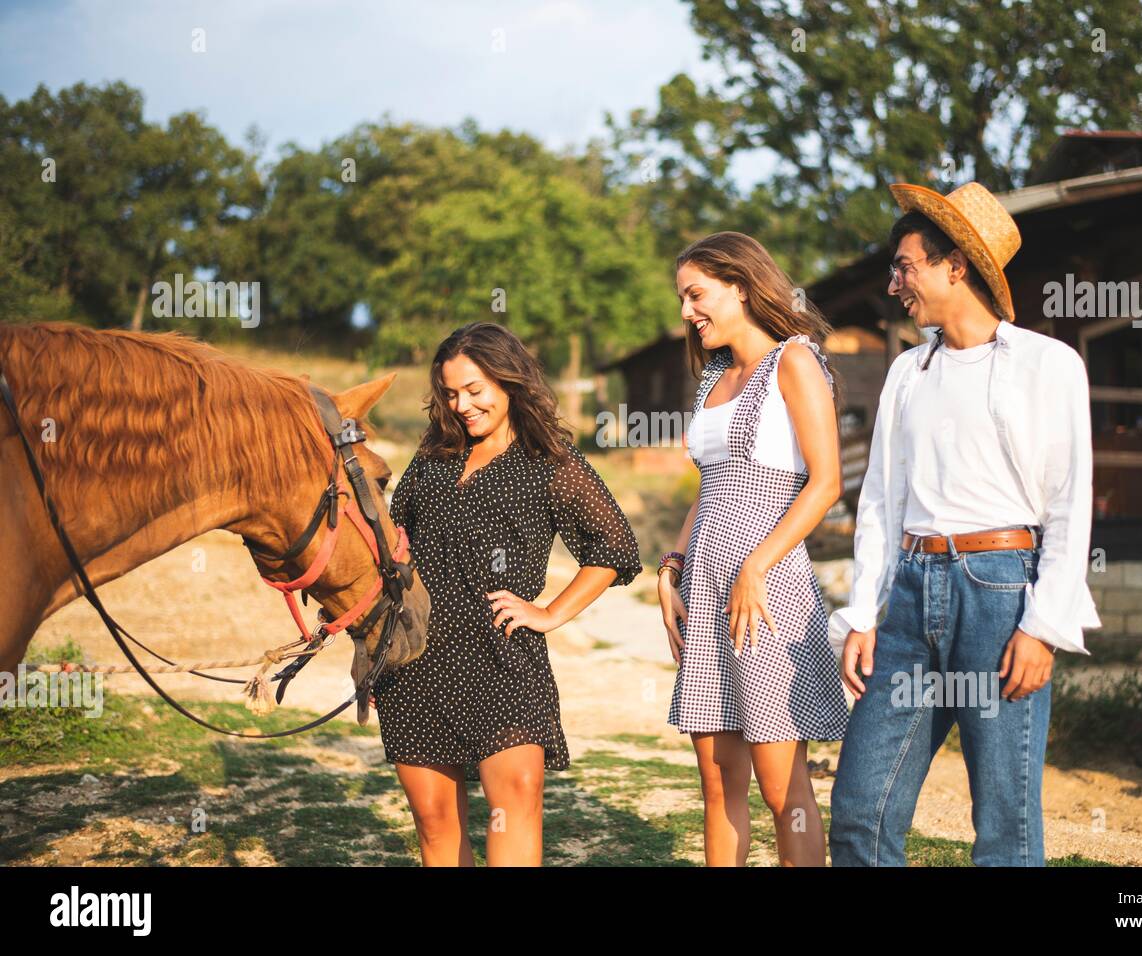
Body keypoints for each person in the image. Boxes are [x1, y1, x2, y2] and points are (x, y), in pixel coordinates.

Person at [827, 181, 1101, 867]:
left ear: (957, 266)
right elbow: (881, 504)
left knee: (1004, 825)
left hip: (1001, 595)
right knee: (862, 808)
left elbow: (1071, 504)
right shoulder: (904, 375)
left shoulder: (1049, 365)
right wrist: (862, 612)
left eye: (905, 266)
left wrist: (1043, 627)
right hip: (911, 598)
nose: (894, 285)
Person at [372, 321, 642, 866]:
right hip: (416, 661)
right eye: (451, 394)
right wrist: (374, 649)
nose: (463, 405)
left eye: (475, 390)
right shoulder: (431, 461)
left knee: (514, 804)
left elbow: (615, 547)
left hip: (502, 658)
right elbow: (391, 555)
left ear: (509, 381)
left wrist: (549, 613)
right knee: (434, 823)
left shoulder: (549, 462)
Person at [660, 231, 850, 866]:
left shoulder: (795, 361)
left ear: (739, 286)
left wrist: (756, 565)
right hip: (706, 586)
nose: (687, 311)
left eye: (696, 294)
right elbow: (708, 491)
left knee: (782, 788)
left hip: (764, 590)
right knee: (717, 784)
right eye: (683, 298)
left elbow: (826, 484)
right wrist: (672, 565)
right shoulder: (713, 376)